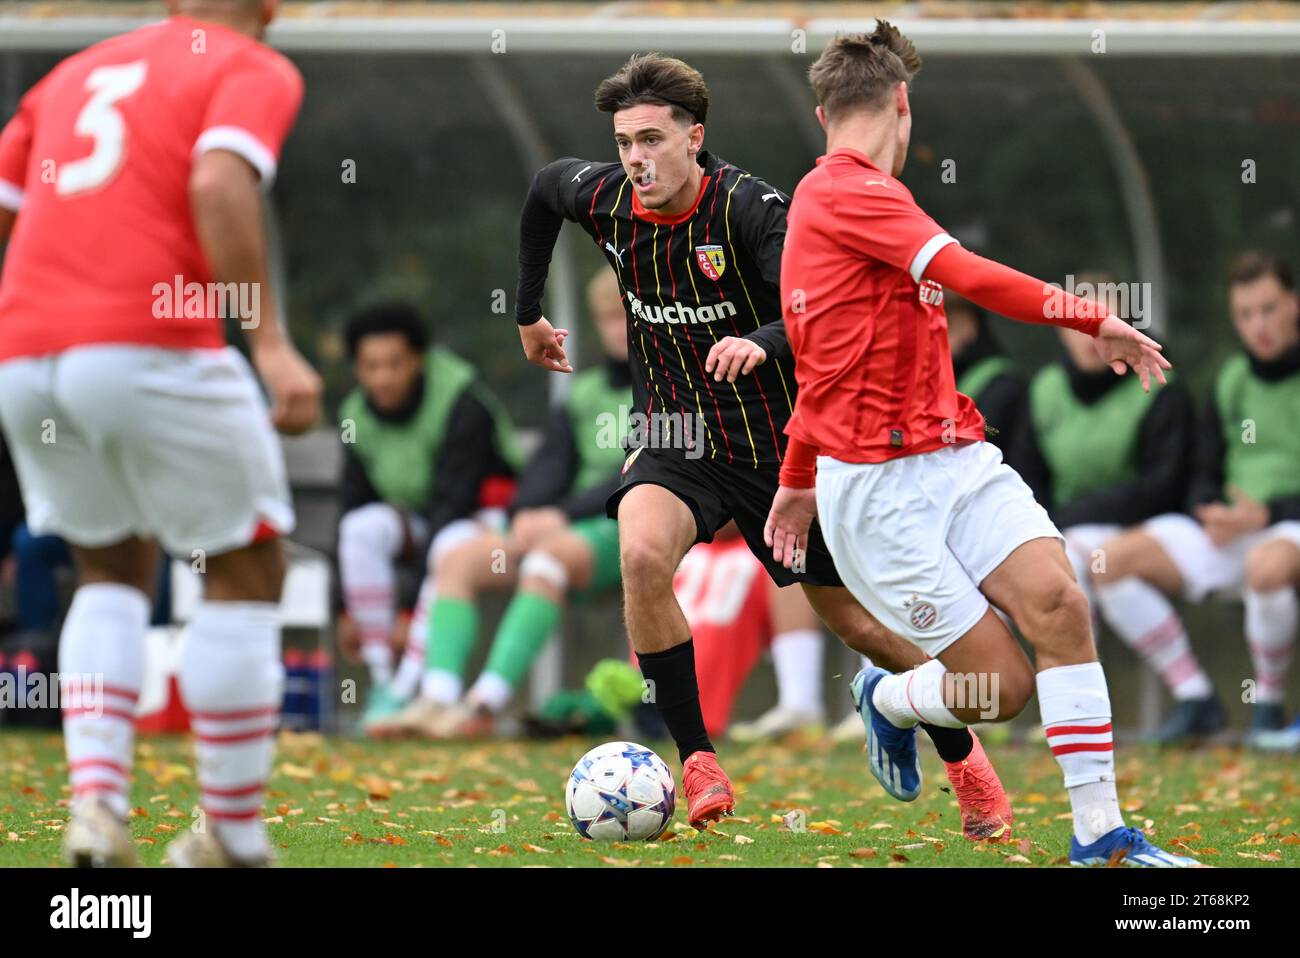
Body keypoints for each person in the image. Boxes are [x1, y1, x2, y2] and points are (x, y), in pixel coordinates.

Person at [514, 52, 1013, 839]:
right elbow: (544, 189)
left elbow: (816, 317)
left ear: (695, 137)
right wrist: (528, 312)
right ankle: (698, 760)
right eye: (624, 142)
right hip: (675, 437)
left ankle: (963, 759)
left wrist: (762, 342)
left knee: (863, 628)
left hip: (783, 454)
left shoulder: (753, 211)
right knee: (641, 555)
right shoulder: (603, 197)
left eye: (652, 139)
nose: (636, 159)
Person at [766, 22, 1197, 866]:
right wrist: (1092, 315)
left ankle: (1100, 837)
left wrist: (792, 473)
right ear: (903, 103)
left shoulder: (843, 202)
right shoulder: (847, 193)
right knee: (999, 689)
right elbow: (969, 274)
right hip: (880, 493)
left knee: (1062, 605)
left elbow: (817, 360)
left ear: (822, 113)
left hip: (955, 457)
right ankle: (892, 698)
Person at [0, 0, 321, 867]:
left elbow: (6, 206)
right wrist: (270, 342)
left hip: (27, 356)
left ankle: (98, 810)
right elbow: (218, 181)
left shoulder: (70, 74)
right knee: (248, 566)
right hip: (148, 343)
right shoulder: (248, 65)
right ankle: (230, 837)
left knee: (107, 565)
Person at [369, 268, 632, 738]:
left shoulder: (672, 387)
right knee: (460, 559)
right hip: (567, 533)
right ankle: (437, 698)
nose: (618, 329)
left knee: (548, 558)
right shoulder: (584, 393)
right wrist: (525, 514)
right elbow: (550, 466)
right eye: (608, 318)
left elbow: (641, 468)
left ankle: (484, 704)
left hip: (630, 527)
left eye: (626, 316)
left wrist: (562, 517)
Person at [1092, 253, 1300, 744]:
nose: (1258, 325)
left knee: (1266, 568)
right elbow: (1204, 470)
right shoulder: (1231, 380)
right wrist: (1211, 510)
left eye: (1268, 308)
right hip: (1238, 534)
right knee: (1109, 562)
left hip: (1285, 531)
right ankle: (1195, 697)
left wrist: (1268, 513)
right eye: (1245, 314)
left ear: (1294, 303)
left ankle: (1266, 703)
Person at [334, 302, 519, 725]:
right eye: (370, 366)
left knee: (448, 544)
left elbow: (452, 505)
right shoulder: (355, 416)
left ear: (418, 359)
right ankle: (384, 683)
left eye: (394, 364)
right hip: (422, 522)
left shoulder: (462, 401)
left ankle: (415, 693)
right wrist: (343, 607)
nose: (382, 377)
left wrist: (405, 609)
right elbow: (353, 502)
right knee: (360, 529)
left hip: (488, 522)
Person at [1015, 278, 1195, 616]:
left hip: (1143, 527)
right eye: (1079, 322)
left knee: (1080, 563)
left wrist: (1067, 519)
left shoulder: (1158, 386)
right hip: (1061, 527)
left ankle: (1084, 667)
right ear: (1061, 329)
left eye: (1101, 320)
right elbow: (1027, 477)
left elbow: (1162, 489)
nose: (1090, 333)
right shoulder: (1044, 389)